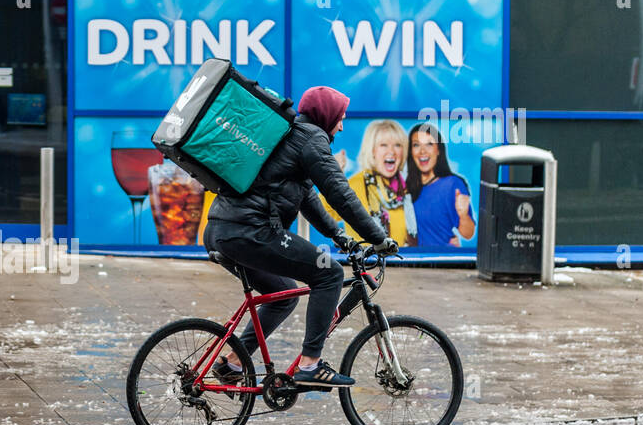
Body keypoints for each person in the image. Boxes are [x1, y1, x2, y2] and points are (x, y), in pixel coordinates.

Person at [203, 86, 396, 388]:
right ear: (326, 116)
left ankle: (233, 363)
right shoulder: (311, 139)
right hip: (252, 231)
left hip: (221, 230)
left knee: (281, 297)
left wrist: (341, 237)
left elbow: (309, 200)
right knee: (329, 273)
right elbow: (339, 192)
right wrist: (378, 237)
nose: (342, 126)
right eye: (340, 118)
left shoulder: (288, 136)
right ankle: (310, 364)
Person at [322, 118, 417, 247]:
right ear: (372, 151)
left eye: (397, 145)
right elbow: (324, 214)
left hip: (404, 263)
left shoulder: (407, 189)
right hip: (367, 264)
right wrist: (332, 176)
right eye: (383, 145)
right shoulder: (355, 184)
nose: (392, 151)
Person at [406, 122, 474, 247]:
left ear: (438, 150)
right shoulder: (406, 187)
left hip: (442, 260)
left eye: (429, 144)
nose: (422, 151)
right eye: (416, 145)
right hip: (413, 261)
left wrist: (463, 215)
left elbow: (468, 233)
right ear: (411, 151)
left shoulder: (452, 184)